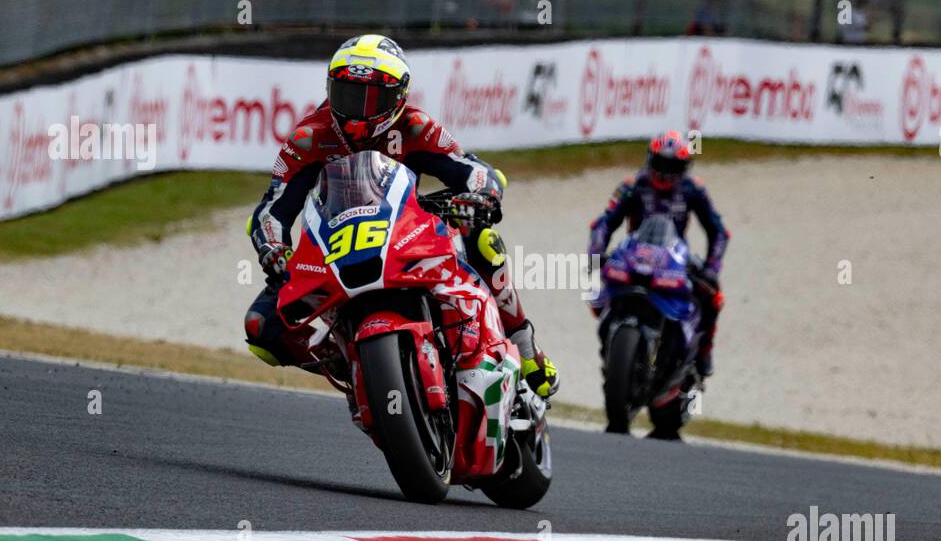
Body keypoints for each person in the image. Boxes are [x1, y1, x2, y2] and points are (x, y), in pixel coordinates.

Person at [243, 33, 559, 398]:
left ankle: (524, 342)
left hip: (408, 232)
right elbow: (272, 209)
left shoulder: (415, 126)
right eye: (347, 93)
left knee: (482, 239)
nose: (358, 110)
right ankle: (356, 364)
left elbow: (474, 171)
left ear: (399, 96)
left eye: (372, 97)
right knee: (261, 328)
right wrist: (273, 246)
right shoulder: (308, 137)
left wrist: (481, 196)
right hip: (336, 245)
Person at [588, 130, 728, 377]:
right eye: (660, 164)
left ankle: (704, 351)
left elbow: (718, 232)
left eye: (672, 166)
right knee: (598, 293)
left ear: (684, 167)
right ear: (650, 160)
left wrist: (711, 267)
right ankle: (611, 342)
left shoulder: (694, 189)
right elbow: (604, 223)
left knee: (713, 297)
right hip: (634, 253)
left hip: (676, 258)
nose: (664, 172)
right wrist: (597, 252)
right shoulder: (631, 186)